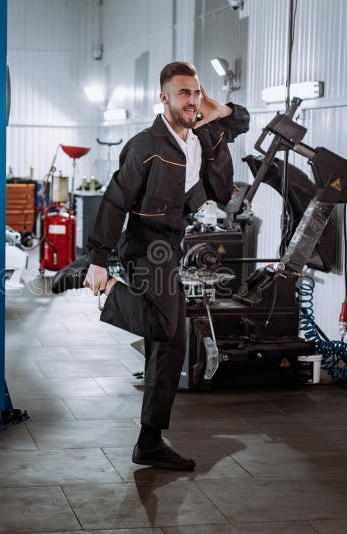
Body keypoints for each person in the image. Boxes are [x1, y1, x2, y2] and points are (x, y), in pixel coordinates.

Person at [83, 61, 249, 470]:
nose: (192, 100)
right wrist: (99, 259)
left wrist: (217, 109)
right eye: (183, 93)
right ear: (163, 98)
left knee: (170, 343)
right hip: (143, 246)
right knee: (167, 328)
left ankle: (149, 442)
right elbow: (115, 200)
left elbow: (242, 119)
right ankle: (104, 288)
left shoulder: (204, 133)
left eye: (196, 92)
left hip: (171, 244)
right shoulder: (146, 145)